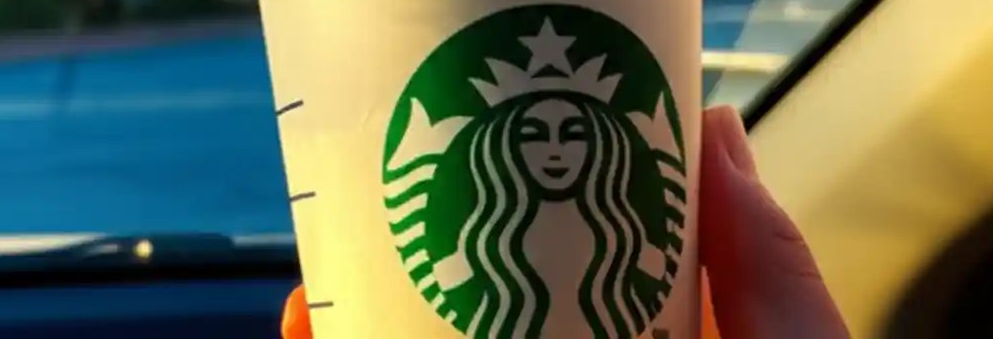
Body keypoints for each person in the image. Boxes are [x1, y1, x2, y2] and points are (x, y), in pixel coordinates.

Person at [280, 105, 850, 339]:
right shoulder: (462, 262)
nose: (554, 151)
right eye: (532, 135)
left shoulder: (638, 257)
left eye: (573, 133)